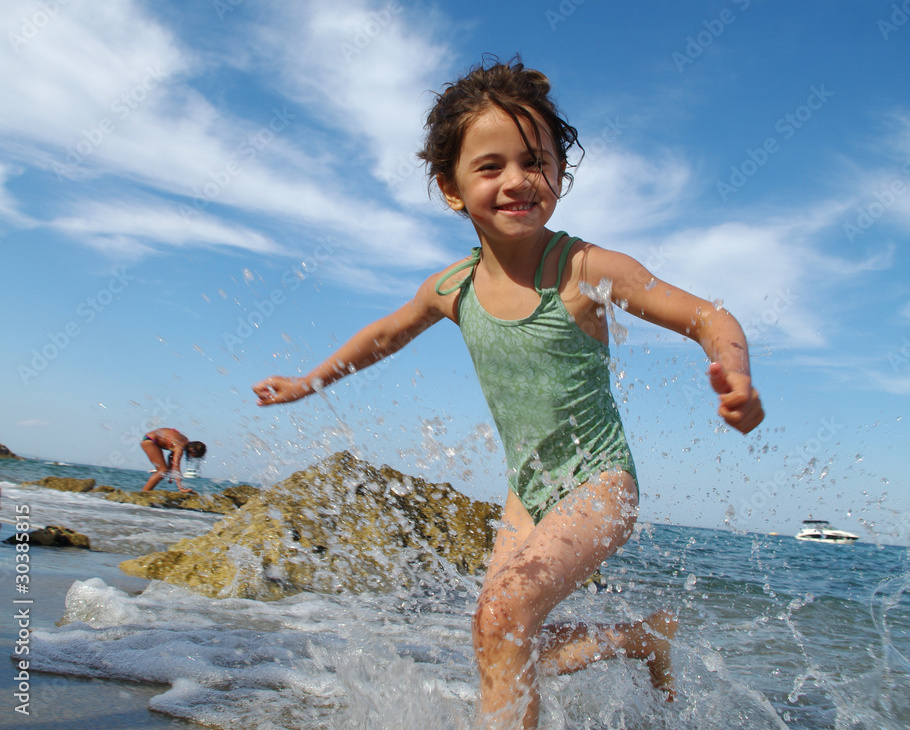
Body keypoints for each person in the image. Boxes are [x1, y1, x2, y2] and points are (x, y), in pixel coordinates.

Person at [253, 57, 764, 728]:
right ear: (451, 188)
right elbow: (384, 336)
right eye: (491, 166)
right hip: (527, 492)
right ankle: (640, 638)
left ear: (559, 173)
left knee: (502, 614)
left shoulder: (583, 269)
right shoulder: (453, 288)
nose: (518, 180)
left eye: (535, 161)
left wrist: (736, 375)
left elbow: (708, 317)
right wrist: (308, 382)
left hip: (599, 484)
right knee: (497, 638)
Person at [140, 428, 206, 494]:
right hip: (149, 441)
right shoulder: (181, 445)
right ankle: (143, 493)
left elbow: (171, 457)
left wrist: (170, 473)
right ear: (192, 449)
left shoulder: (184, 441)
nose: (191, 457)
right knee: (162, 470)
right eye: (194, 455)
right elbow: (176, 466)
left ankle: (145, 492)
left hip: (150, 439)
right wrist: (180, 487)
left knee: (163, 471)